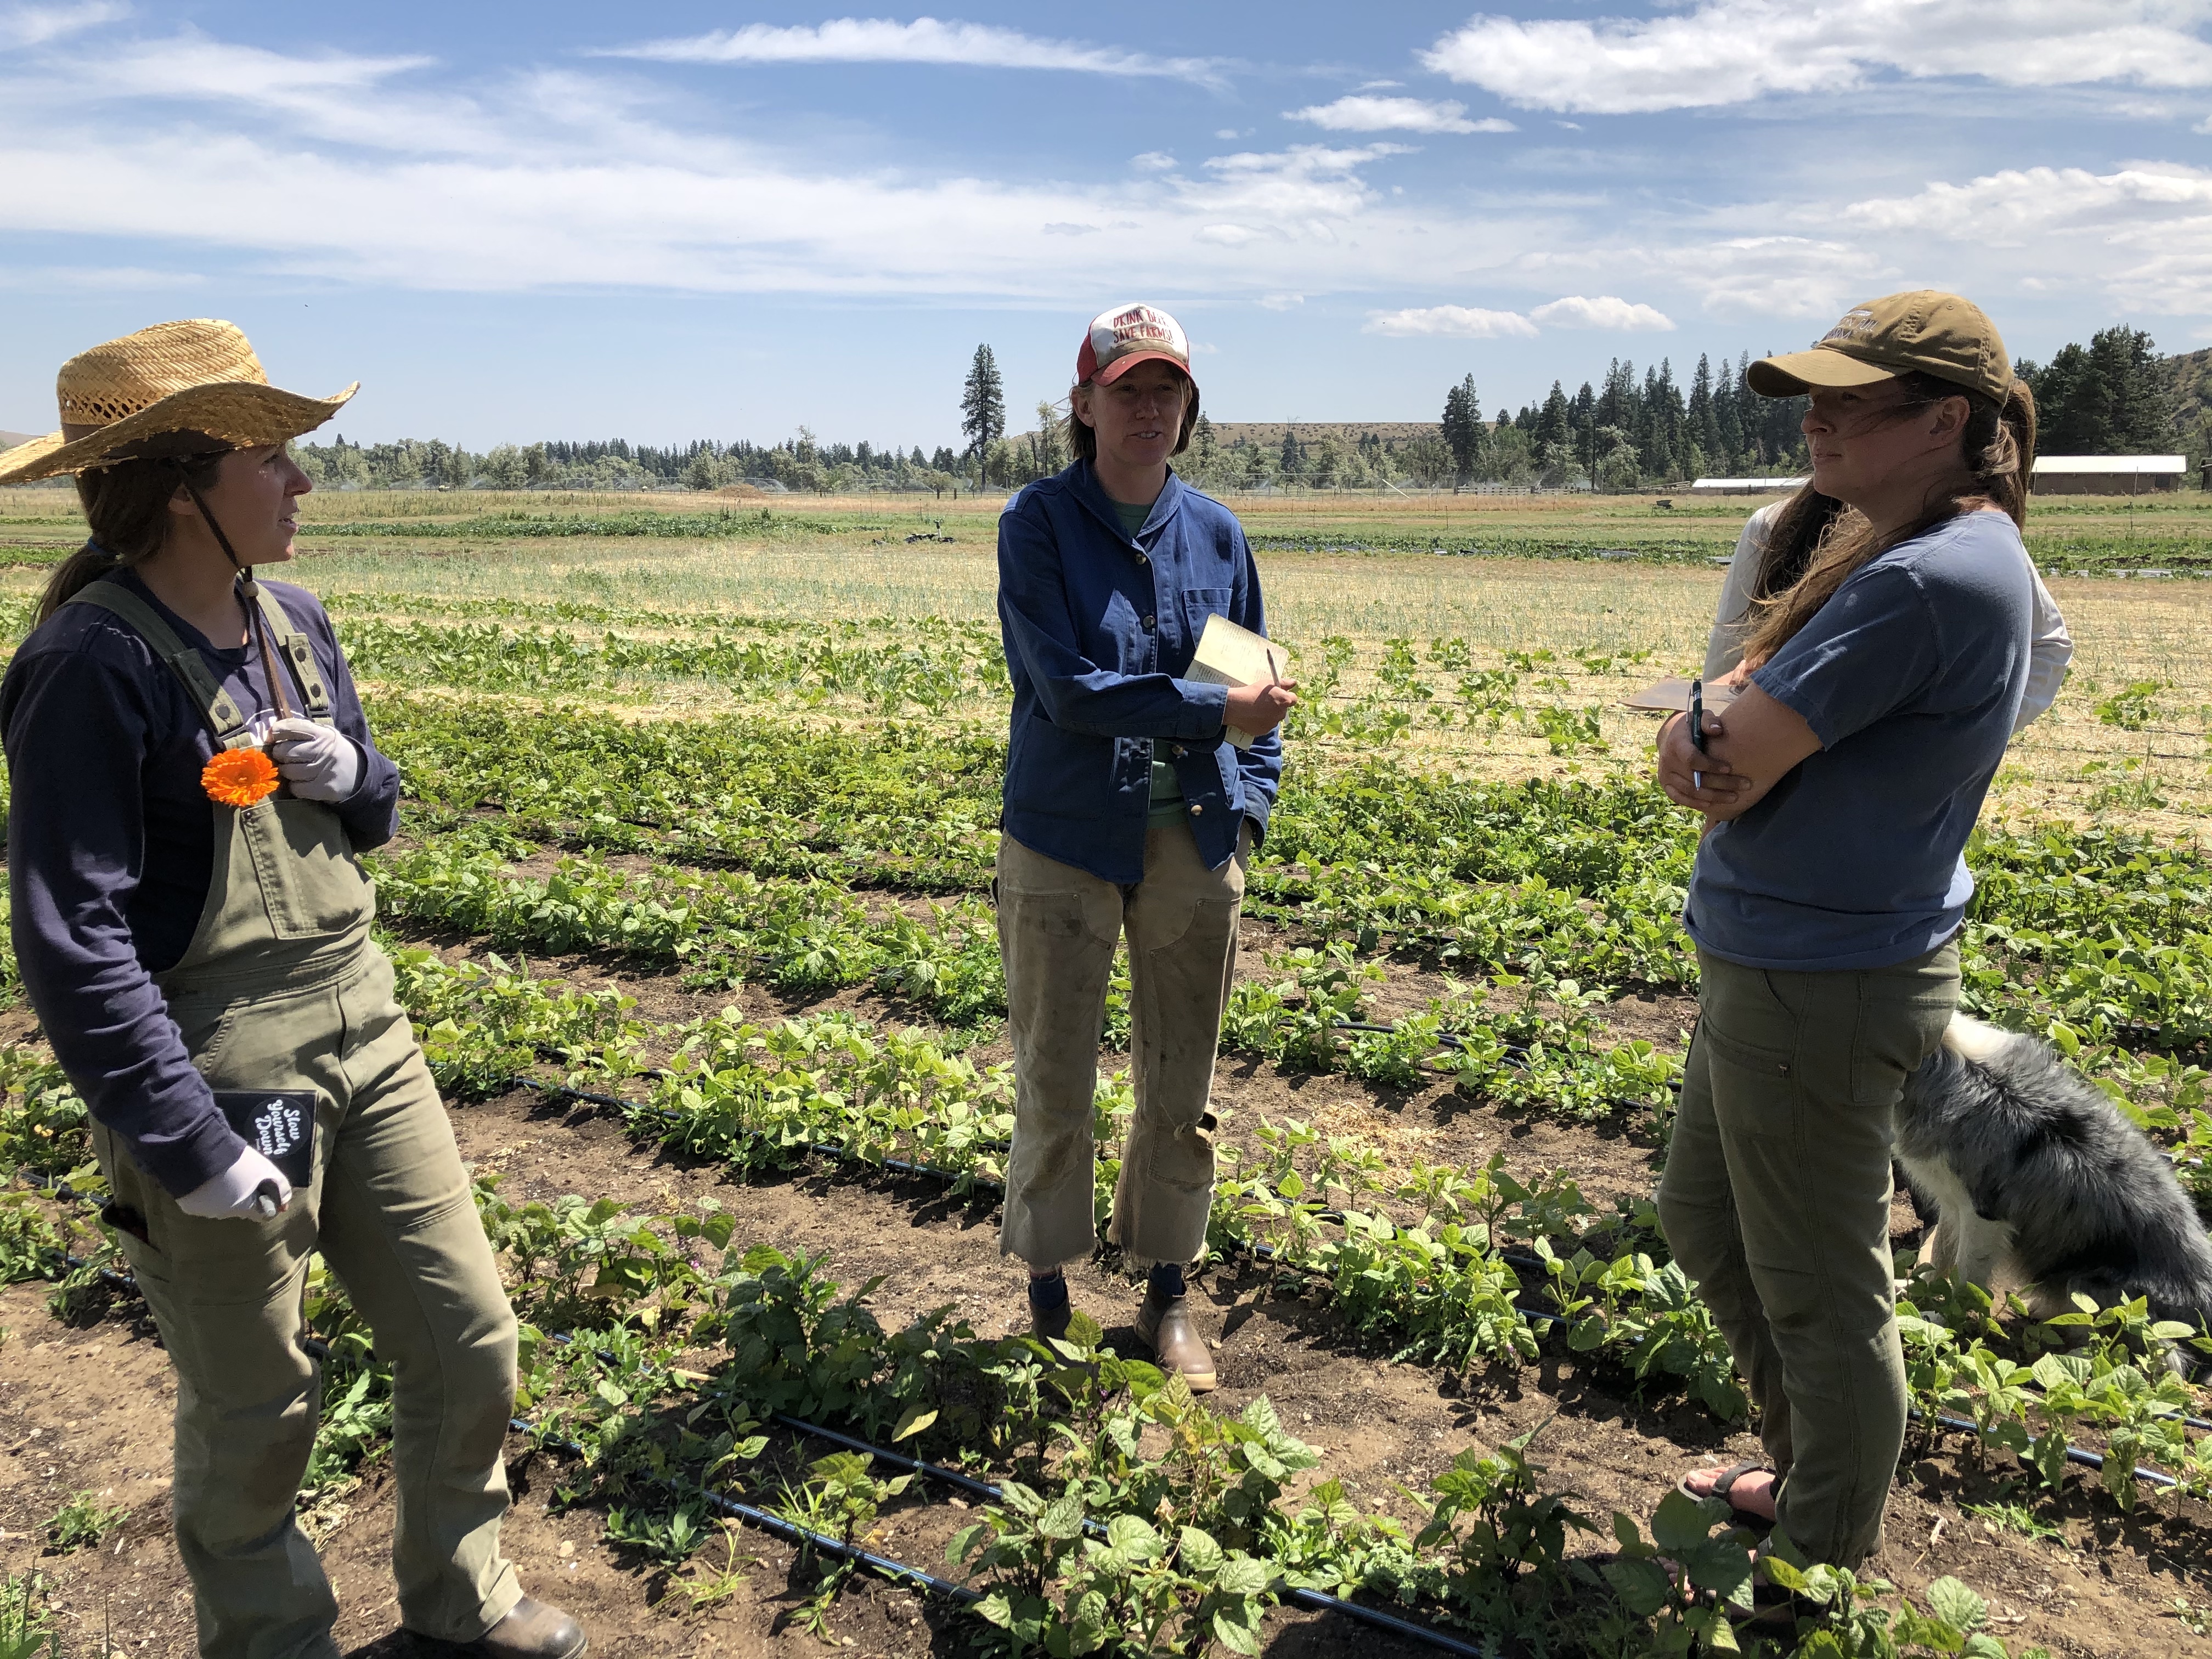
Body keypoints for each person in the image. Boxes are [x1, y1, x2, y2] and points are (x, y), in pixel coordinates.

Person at [0, 321, 584, 1659]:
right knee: (255, 1402)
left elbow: (369, 809)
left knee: (469, 1337)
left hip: (365, 1025)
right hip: (223, 1067)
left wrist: (352, 776)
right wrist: (185, 1142)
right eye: (274, 457)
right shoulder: (96, 665)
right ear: (179, 481)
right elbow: (72, 937)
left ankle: (463, 1596)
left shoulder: (295, 624)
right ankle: (273, 1642)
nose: (304, 484)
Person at [1647, 291, 2038, 1572]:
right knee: (1707, 1224)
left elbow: (1718, 755)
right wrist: (1724, 718)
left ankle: (1817, 1563)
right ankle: (1813, 1469)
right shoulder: (1909, 549)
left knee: (1822, 1291)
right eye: (1810, 392)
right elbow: (1733, 741)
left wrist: (1705, 713)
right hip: (1789, 965)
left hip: (1822, 981)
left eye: (1848, 399)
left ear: (1947, 421)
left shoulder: (1929, 576)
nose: (1814, 417)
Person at [994, 303, 1293, 1389]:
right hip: (1066, 838)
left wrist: (1245, 809)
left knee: (1183, 1083)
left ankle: (1169, 1298)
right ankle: (1048, 1297)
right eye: (1128, 390)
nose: (1151, 409)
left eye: (1169, 391)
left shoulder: (1216, 536)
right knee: (1054, 1077)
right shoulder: (1039, 526)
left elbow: (1253, 683)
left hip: (1193, 844)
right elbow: (1070, 692)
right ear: (1084, 406)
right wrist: (1216, 719)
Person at [1664, 477, 2072, 806]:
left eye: (1851, 402)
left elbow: (2046, 648)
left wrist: (1948, 737)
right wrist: (1686, 729)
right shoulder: (1776, 524)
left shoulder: (1950, 546)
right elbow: (1729, 668)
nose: (1815, 423)